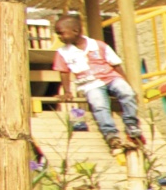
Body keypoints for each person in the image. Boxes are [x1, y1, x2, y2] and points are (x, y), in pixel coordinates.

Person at [51, 12, 143, 152]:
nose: (59, 37)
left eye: (61, 33)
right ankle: (110, 134)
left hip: (111, 77)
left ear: (75, 31)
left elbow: (116, 65)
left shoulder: (98, 45)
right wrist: (67, 91)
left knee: (127, 93)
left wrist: (127, 83)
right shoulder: (63, 52)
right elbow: (64, 72)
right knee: (99, 105)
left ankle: (131, 125)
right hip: (90, 84)